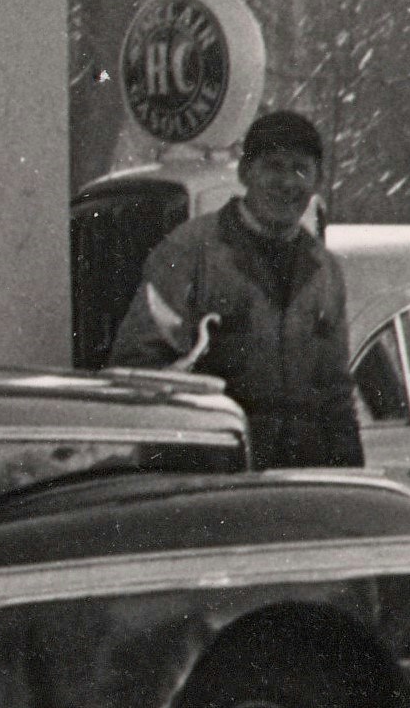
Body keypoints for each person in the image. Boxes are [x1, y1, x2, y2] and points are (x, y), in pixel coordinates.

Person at [109, 108, 392, 468]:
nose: (288, 183)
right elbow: (139, 369)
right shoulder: (191, 253)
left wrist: (348, 480)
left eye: (301, 169)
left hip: (298, 483)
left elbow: (336, 393)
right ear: (245, 173)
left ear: (318, 181)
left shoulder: (324, 272)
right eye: (273, 166)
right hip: (216, 477)